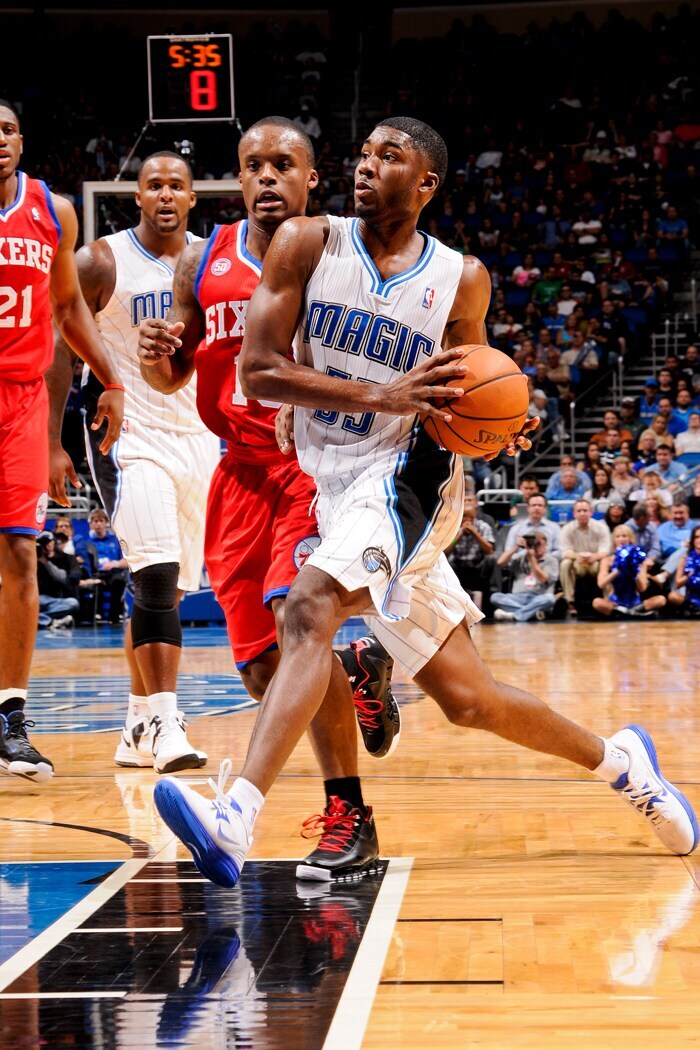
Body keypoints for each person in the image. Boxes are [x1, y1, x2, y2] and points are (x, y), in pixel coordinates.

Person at [151, 116, 697, 890]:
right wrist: (376, 391)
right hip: (328, 479)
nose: (367, 165)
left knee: (306, 609)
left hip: (406, 477)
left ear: (427, 183)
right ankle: (625, 765)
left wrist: (490, 428)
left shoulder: (461, 277)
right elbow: (260, 370)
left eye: (390, 155)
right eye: (364, 153)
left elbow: (472, 391)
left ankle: (234, 815)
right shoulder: (306, 241)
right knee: (469, 700)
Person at [137, 116, 399, 878]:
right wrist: (160, 357)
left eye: (284, 164)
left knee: (297, 623)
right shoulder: (203, 257)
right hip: (236, 475)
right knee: (259, 670)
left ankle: (347, 812)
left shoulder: (337, 253)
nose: (267, 179)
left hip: (308, 468)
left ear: (312, 178)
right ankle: (353, 670)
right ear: (239, 177)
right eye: (253, 166)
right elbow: (174, 374)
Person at [47, 151, 219, 773]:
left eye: (178, 185)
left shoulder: (210, 260)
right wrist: (51, 441)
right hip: (129, 434)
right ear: (138, 195)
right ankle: (168, 723)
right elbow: (60, 351)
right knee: (153, 577)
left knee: (167, 589)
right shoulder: (100, 261)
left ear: (194, 196)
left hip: (198, 438)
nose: (167, 195)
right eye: (155, 185)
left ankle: (134, 727)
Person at [0, 99, 124, 784]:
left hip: (19, 399)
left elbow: (69, 306)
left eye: (10, 128)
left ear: (23, 139)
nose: (0, 140)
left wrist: (113, 377)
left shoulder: (54, 209)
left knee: (20, 552)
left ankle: (9, 719)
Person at [593, 525, 666, 618]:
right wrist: (617, 571)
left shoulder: (638, 560)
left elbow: (642, 588)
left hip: (635, 602)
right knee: (597, 602)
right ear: (614, 540)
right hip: (615, 602)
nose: (621, 539)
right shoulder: (607, 560)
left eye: (624, 536)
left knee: (661, 599)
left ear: (630, 538)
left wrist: (634, 572)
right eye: (618, 536)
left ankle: (626, 613)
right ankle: (634, 614)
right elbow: (601, 584)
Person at [491, 530, 559, 622]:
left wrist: (532, 559)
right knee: (495, 597)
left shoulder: (551, 560)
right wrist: (516, 547)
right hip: (517, 598)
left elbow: (543, 578)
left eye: (539, 544)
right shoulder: (521, 557)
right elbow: (500, 562)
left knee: (550, 599)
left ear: (546, 544)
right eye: (534, 544)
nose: (536, 547)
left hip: (538, 598)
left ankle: (515, 615)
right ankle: (531, 613)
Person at [559, 499, 611, 613]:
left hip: (595, 563)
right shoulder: (567, 529)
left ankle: (609, 600)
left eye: (585, 510)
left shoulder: (601, 527)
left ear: (591, 512)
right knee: (565, 563)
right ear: (574, 514)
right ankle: (570, 601)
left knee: (606, 562)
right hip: (577, 563)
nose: (582, 513)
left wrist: (595, 556)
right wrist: (576, 556)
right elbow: (564, 551)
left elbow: (606, 550)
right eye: (579, 510)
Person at [446, 493, 494, 609]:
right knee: (447, 563)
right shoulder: (453, 527)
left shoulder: (483, 526)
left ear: (475, 516)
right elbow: (445, 552)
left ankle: (490, 597)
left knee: (491, 560)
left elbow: (489, 550)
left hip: (477, 564)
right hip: (458, 564)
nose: (467, 521)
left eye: (470, 518)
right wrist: (459, 535)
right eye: (464, 517)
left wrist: (475, 533)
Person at [36, 531, 80, 629]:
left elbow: (62, 578)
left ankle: (42, 619)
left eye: (48, 542)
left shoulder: (65, 558)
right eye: (43, 543)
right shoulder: (35, 559)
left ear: (54, 542)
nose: (46, 546)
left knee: (73, 603)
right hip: (40, 598)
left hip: (59, 601)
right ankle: (53, 621)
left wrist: (46, 562)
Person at [667, 525, 700, 616]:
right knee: (673, 596)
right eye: (696, 537)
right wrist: (690, 574)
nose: (699, 540)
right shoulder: (686, 558)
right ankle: (695, 610)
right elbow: (678, 583)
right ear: (692, 540)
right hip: (692, 600)